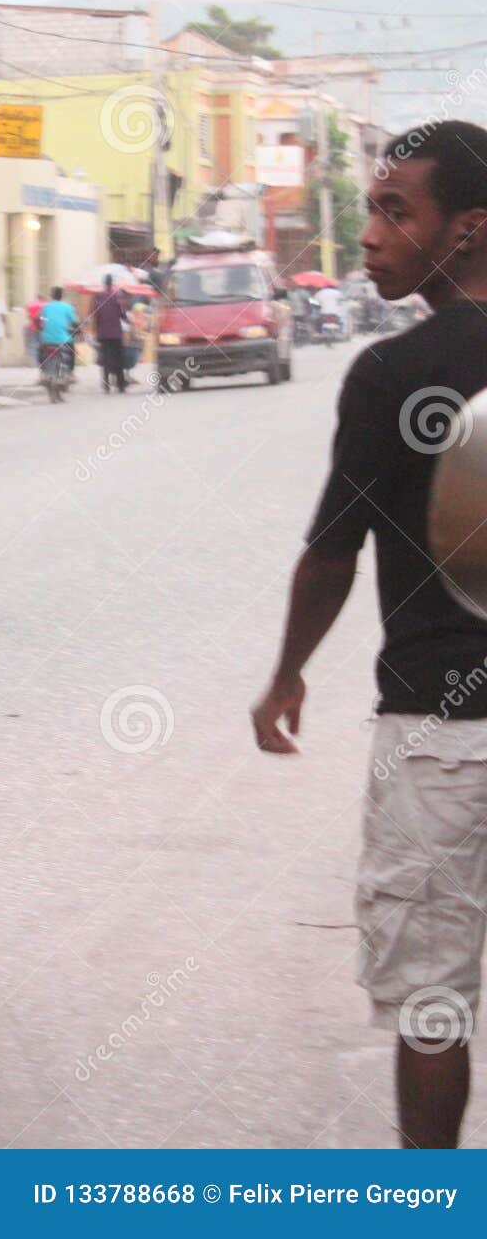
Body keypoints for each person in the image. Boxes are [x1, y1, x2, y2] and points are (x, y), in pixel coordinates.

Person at [249, 121, 487, 1149]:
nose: (371, 237)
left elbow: (332, 553)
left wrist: (285, 676)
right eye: (372, 210)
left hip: (439, 736)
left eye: (398, 212)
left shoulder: (391, 372)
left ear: (469, 228)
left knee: (432, 1001)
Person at [36, 286, 78, 403]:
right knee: (70, 357)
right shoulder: (68, 307)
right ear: (62, 296)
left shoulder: (46, 307)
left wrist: (41, 328)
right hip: (63, 340)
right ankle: (69, 373)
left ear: (52, 296)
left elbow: (39, 320)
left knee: (43, 358)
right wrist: (75, 330)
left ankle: (43, 373)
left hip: (46, 340)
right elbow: (75, 323)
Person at [90, 274, 130, 393]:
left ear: (104, 283)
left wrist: (96, 330)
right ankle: (120, 384)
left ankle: (106, 384)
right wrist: (127, 321)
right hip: (116, 333)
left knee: (105, 359)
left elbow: (95, 315)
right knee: (118, 358)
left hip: (103, 333)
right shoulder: (118, 295)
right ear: (111, 283)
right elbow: (122, 313)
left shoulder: (98, 296)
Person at [24, 292, 45, 367]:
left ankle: (32, 363)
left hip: (30, 327)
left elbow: (28, 316)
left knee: (31, 345)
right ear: (42, 298)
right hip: (41, 327)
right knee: (41, 345)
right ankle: (40, 362)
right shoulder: (45, 305)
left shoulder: (30, 305)